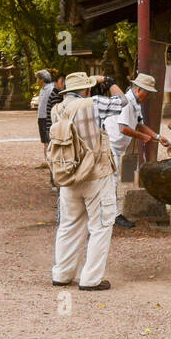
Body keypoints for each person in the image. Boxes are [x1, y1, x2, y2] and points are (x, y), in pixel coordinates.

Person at [48, 71, 123, 290]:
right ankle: (91, 279)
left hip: (68, 174)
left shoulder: (57, 109)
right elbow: (122, 102)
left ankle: (62, 274)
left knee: (69, 226)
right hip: (95, 174)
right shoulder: (93, 104)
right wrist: (109, 82)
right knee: (100, 226)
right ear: (86, 89)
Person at [105, 72, 164, 229]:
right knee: (112, 180)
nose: (148, 96)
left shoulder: (135, 103)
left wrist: (158, 137)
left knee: (111, 180)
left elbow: (139, 124)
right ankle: (113, 215)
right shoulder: (125, 102)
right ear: (137, 89)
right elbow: (124, 128)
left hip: (117, 147)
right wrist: (142, 137)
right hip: (110, 146)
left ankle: (110, 213)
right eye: (147, 92)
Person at [36, 69, 55, 146]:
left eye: (38, 79)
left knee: (49, 141)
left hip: (47, 118)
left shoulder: (51, 89)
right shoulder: (42, 90)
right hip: (41, 117)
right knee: (44, 141)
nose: (37, 81)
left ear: (42, 80)